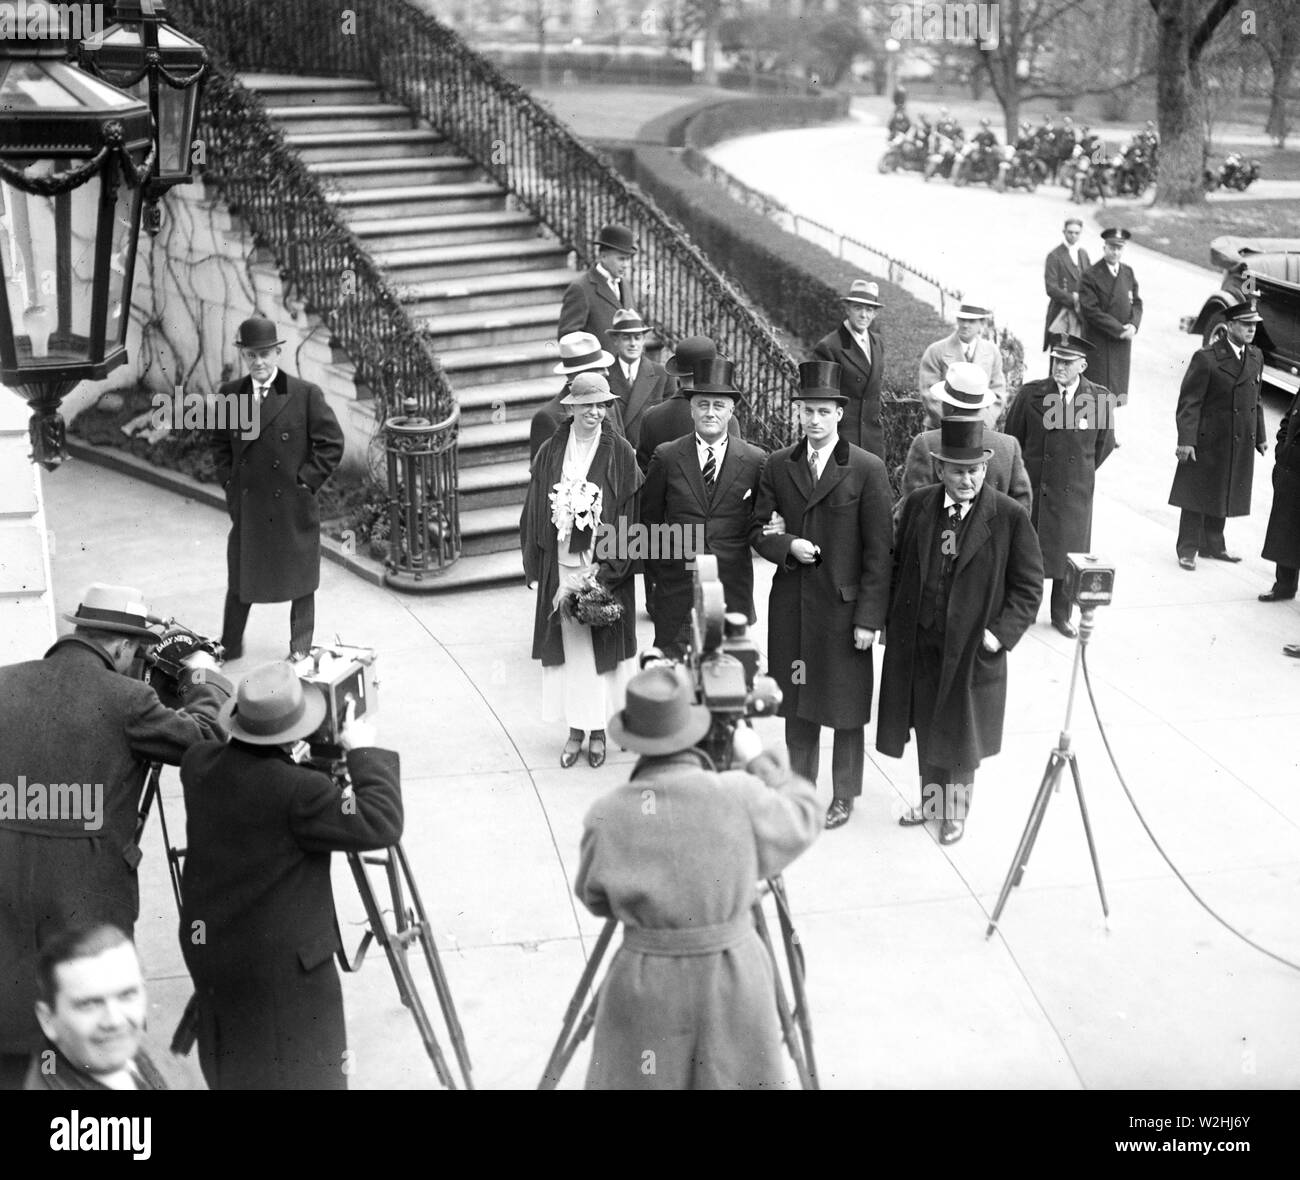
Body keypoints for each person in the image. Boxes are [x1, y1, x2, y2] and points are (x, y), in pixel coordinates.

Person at [0, 583, 231, 1089]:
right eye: (140, 654)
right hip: (89, 894)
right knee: (98, 1042)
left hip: (8, 889)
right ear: (123, 648)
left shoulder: (4, 683)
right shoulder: (129, 700)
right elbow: (207, 740)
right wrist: (204, 683)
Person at [575, 666, 820, 1089]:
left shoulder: (608, 812)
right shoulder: (738, 796)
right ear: (690, 728)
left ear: (633, 739)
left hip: (646, 986)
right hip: (734, 981)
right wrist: (758, 760)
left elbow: (594, 896)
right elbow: (804, 813)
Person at [179, 661, 402, 1091]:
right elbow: (381, 819)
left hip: (215, 954)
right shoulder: (302, 794)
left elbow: (257, 786)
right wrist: (361, 751)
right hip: (282, 978)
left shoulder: (199, 764)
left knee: (240, 1067)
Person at [877, 418, 1044, 845]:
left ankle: (955, 811)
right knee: (927, 722)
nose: (967, 479)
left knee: (960, 731)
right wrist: (893, 624)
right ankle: (932, 803)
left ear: (986, 470)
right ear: (939, 470)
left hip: (972, 647)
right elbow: (896, 567)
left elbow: (1028, 586)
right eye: (957, 470)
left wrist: (998, 635)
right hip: (923, 641)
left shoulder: (1007, 517)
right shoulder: (919, 506)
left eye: (974, 470)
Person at [750, 361, 893, 830]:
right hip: (793, 604)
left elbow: (879, 552)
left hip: (844, 609)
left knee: (846, 707)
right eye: (806, 411)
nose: (813, 420)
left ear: (838, 415)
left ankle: (844, 795)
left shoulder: (866, 469)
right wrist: (785, 544)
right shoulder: (778, 464)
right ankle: (802, 789)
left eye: (822, 412)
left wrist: (869, 619)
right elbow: (758, 527)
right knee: (797, 701)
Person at [521, 372, 642, 769]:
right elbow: (535, 508)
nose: (595, 412)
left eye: (602, 405)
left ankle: (600, 733)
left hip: (601, 564)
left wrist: (606, 573)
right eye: (587, 405)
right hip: (561, 564)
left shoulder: (620, 451)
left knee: (600, 649)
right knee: (571, 650)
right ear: (570, 407)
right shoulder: (552, 450)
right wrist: (537, 565)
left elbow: (629, 516)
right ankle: (575, 731)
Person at [214, 314, 344, 661]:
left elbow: (331, 443)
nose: (258, 362)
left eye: (265, 354)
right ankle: (229, 644)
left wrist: (305, 481)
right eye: (251, 355)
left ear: (277, 354)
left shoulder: (303, 394)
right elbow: (219, 445)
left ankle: (300, 649)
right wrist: (230, 485)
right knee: (241, 579)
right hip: (250, 506)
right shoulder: (230, 395)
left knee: (300, 581)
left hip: (291, 504)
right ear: (244, 355)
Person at [641, 358, 766, 658]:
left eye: (718, 406)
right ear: (691, 408)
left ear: (731, 411)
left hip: (731, 592)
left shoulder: (754, 460)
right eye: (703, 404)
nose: (710, 413)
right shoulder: (667, 457)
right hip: (677, 592)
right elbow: (648, 524)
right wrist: (667, 571)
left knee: (729, 678)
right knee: (675, 679)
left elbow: (761, 521)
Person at [1004, 333, 1117, 638]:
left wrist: (1078, 474)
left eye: (1067, 362)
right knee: (1028, 554)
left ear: (1082, 365)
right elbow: (1013, 437)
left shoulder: (1099, 399)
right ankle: (1023, 610)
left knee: (1067, 556)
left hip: (1073, 491)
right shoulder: (1031, 395)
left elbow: (1103, 446)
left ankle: (1060, 615)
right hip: (1035, 489)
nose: (1060, 367)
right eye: (1056, 360)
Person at [1168, 302, 1267, 570]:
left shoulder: (1255, 356)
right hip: (1208, 440)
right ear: (1230, 325)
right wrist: (1186, 440)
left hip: (1237, 438)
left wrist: (1260, 436)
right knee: (1196, 493)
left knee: (1224, 490)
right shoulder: (1207, 358)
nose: (1251, 329)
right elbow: (1189, 402)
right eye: (1246, 324)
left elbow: (1254, 400)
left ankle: (1214, 544)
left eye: (1254, 325)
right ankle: (1187, 548)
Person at [25, 924, 165, 1091]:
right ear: (48, 1020)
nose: (115, 1021)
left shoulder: (153, 1055)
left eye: (127, 995)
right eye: (89, 1004)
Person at [899, 362, 1032, 513]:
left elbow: (913, 507)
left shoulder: (926, 443)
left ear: (948, 405)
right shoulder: (1008, 446)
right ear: (981, 405)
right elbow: (1022, 505)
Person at [635, 335, 739, 472]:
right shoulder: (725, 419)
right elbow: (734, 470)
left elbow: (643, 473)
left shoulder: (651, 417)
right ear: (711, 371)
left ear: (678, 372)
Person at [812, 278, 887, 458]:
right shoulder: (829, 346)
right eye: (858, 308)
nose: (864, 315)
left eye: (869, 309)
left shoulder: (877, 342)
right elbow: (821, 401)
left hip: (872, 440)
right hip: (841, 440)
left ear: (875, 313)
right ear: (847, 309)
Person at [529, 331, 617, 463]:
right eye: (599, 368)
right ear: (578, 375)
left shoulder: (608, 403)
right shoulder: (547, 418)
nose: (607, 372)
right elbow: (541, 473)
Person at [1078, 227, 1142, 406]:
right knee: (1095, 397)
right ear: (1104, 247)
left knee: (1115, 397)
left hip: (1122, 344)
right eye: (1112, 247)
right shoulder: (1091, 275)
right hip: (1099, 342)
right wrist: (1119, 330)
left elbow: (1137, 302)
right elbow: (1091, 310)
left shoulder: (1128, 272)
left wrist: (1133, 325)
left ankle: (1107, 431)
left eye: (1119, 248)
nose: (1115, 252)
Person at [917, 303, 1006, 417]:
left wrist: (981, 424)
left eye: (971, 321)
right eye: (962, 319)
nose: (965, 325)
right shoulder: (935, 351)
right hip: (941, 427)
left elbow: (998, 393)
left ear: (982, 323)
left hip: (980, 429)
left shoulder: (992, 352)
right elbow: (929, 394)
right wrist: (950, 424)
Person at [557, 223, 636, 348]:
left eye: (628, 259)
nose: (626, 264)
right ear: (603, 256)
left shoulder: (625, 284)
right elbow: (568, 337)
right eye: (621, 259)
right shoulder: (581, 288)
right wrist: (595, 363)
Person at [605, 308, 669, 453]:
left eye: (637, 337)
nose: (633, 343)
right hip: (616, 456)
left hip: (651, 458)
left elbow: (668, 422)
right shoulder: (605, 375)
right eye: (626, 337)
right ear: (615, 340)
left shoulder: (662, 374)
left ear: (644, 340)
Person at [1260, 375, 1300, 603]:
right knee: (1285, 530)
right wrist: (1281, 451)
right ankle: (1284, 585)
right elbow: (1287, 420)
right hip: (1290, 469)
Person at [1044, 218, 1091, 348]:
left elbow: (1090, 281)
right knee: (1060, 351)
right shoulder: (1054, 255)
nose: (1073, 236)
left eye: (1077, 233)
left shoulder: (1083, 254)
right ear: (1064, 232)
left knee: (1076, 353)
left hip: (1079, 313)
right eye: (1070, 232)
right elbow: (1051, 288)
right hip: (1061, 312)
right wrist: (1073, 299)